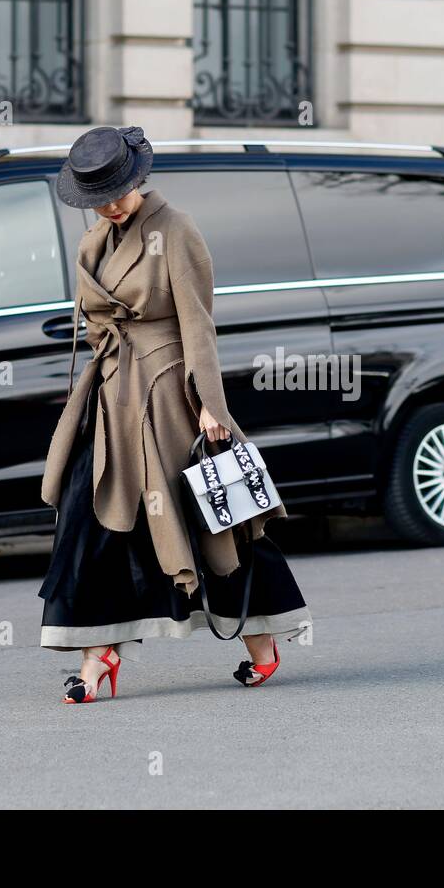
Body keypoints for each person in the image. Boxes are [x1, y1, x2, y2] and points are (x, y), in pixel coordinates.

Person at [38, 125, 313, 703]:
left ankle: (261, 639)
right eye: (97, 198)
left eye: (117, 193)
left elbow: (198, 323)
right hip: (112, 397)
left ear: (137, 179)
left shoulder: (176, 229)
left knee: (213, 517)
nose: (110, 206)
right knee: (90, 519)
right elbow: (94, 322)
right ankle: (97, 655)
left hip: (168, 396)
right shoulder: (93, 242)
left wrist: (211, 404)